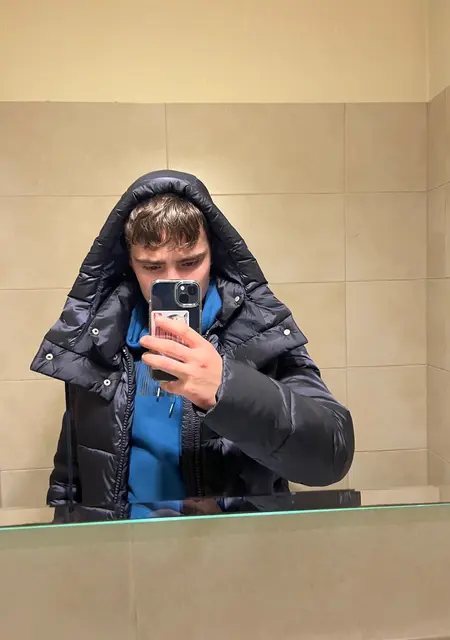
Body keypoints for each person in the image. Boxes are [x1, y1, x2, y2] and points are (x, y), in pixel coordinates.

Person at [31, 170, 354, 521]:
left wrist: (226, 388)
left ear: (213, 254)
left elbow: (331, 454)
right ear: (130, 263)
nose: (172, 280)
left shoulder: (257, 329)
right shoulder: (99, 337)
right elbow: (71, 477)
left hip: (227, 546)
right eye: (151, 266)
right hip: (123, 549)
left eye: (190, 262)